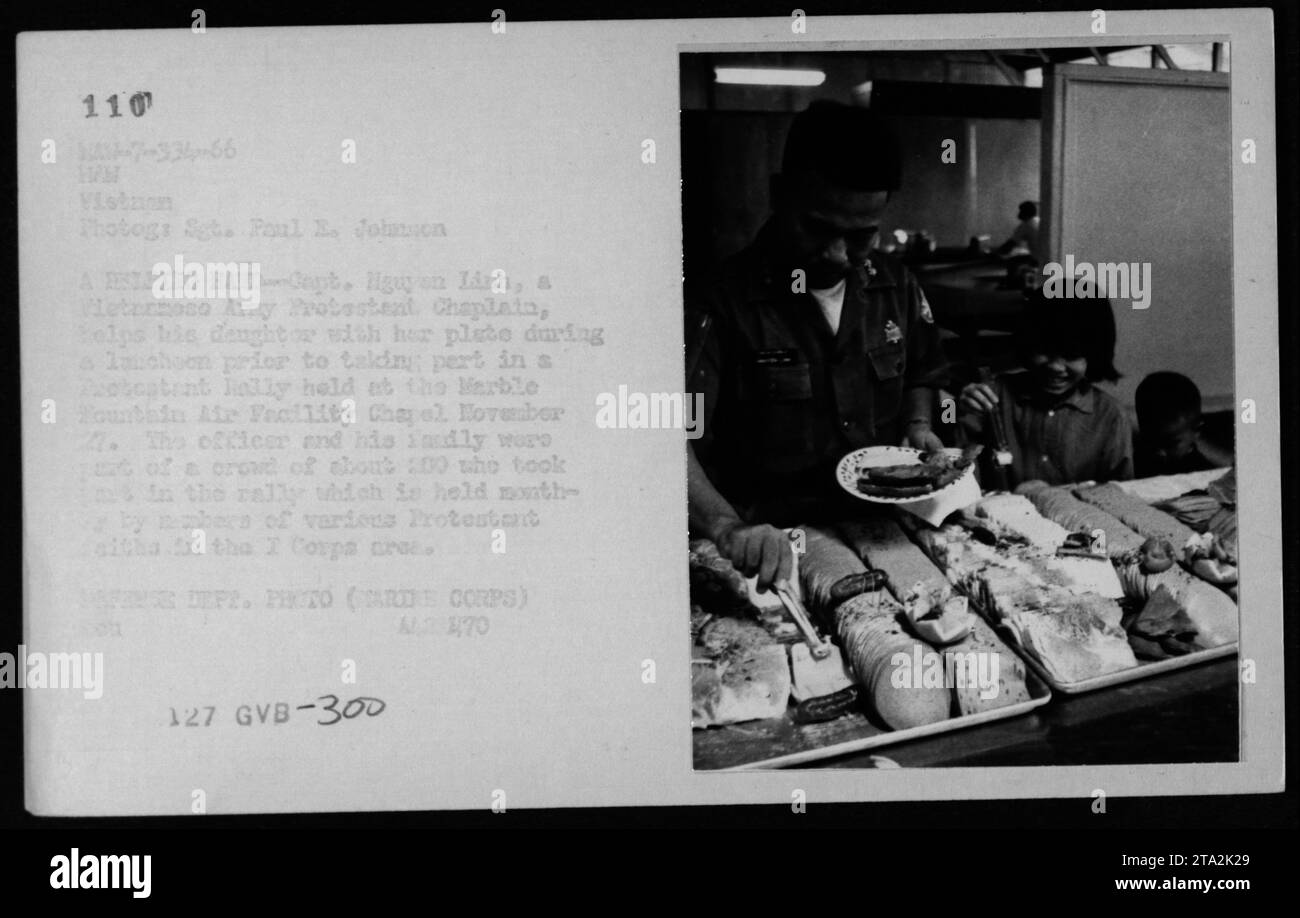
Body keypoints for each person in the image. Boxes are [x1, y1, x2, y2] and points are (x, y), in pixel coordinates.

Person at [687, 100, 949, 592]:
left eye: (860, 237)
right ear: (779, 194)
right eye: (817, 228)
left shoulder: (897, 285)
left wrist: (918, 425)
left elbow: (924, 371)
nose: (836, 255)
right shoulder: (719, 302)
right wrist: (726, 526)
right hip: (770, 551)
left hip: (885, 534)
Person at [958, 288, 1132, 487]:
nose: (1056, 367)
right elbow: (943, 418)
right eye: (1044, 352)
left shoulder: (1112, 416)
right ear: (1027, 345)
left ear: (1094, 356)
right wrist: (956, 406)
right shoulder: (994, 393)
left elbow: (1121, 492)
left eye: (1072, 355)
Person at [1133, 371, 1233, 477]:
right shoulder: (1138, 463)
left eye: (1170, 444)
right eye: (1150, 441)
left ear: (1197, 431)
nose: (1160, 453)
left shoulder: (1203, 473)